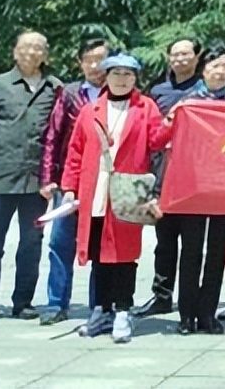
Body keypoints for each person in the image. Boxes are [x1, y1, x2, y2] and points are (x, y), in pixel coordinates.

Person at [61, 53, 171, 343]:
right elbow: (75, 151)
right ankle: (102, 309)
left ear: (136, 78)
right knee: (98, 252)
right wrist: (70, 188)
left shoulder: (145, 107)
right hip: (94, 189)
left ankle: (123, 310)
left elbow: (157, 141)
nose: (122, 79)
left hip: (127, 189)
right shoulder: (90, 109)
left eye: (128, 74)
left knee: (125, 254)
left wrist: (171, 122)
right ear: (106, 76)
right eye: (116, 73)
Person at [0, 31, 62, 321]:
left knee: (31, 243)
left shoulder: (54, 88)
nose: (31, 52)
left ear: (46, 54)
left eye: (37, 48)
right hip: (0, 178)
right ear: (15, 52)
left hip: (38, 182)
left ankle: (23, 302)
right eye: (25, 47)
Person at [37, 38, 108, 325]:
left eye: (100, 59)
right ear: (80, 63)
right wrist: (48, 178)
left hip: (104, 182)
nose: (95, 66)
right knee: (60, 242)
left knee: (100, 245)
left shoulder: (117, 91)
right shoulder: (69, 93)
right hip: (71, 179)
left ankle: (99, 305)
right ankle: (56, 304)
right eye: (89, 59)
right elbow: (53, 135)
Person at [135, 37, 205, 319]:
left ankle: (191, 301)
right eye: (174, 54)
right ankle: (161, 295)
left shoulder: (206, 91)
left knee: (192, 245)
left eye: (186, 54)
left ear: (197, 57)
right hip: (164, 176)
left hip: (195, 178)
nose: (180, 59)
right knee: (164, 243)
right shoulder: (158, 91)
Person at [176, 44, 225, 335]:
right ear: (204, 68)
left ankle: (207, 313)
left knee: (216, 252)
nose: (221, 71)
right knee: (191, 251)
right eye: (216, 66)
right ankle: (186, 315)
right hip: (194, 185)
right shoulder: (188, 102)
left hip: (224, 186)